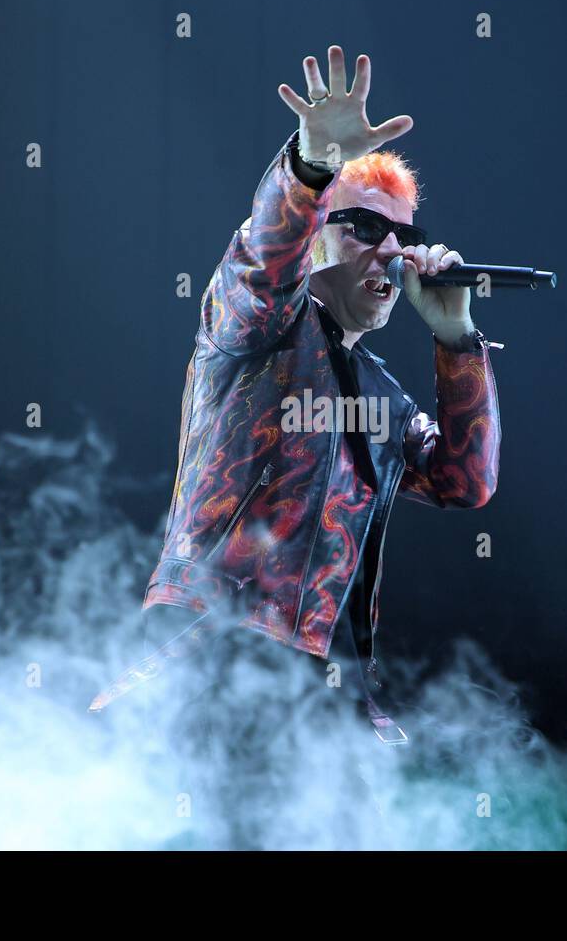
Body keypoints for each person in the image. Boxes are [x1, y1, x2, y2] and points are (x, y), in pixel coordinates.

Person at [91, 47, 501, 746]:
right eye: (365, 228)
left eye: (405, 238)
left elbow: (467, 483)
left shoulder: (387, 400)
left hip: (314, 685)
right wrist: (311, 167)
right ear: (315, 240)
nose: (390, 253)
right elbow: (261, 263)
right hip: (210, 650)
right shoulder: (257, 327)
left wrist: (456, 339)